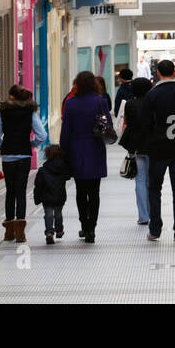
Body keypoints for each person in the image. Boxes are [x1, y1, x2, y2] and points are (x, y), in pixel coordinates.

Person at [141, 59, 175, 242]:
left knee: (154, 189)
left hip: (158, 152)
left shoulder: (151, 96)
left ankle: (155, 229)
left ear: (158, 74)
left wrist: (149, 145)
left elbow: (145, 125)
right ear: (174, 73)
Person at [0, 84, 47, 243]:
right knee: (21, 191)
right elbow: (42, 135)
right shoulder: (30, 113)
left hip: (8, 156)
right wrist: (32, 143)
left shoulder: (3, 114)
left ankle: (9, 231)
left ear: (11, 97)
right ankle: (20, 232)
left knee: (10, 191)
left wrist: (3, 145)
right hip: (23, 156)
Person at [60, 71, 111, 243]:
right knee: (94, 192)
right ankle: (92, 228)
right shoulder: (100, 101)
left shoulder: (71, 104)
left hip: (77, 151)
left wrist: (64, 151)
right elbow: (108, 125)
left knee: (81, 192)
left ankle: (84, 225)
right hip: (96, 149)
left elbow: (65, 131)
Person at [118, 77, 153, 226]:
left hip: (137, 147)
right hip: (153, 147)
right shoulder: (153, 103)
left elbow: (128, 125)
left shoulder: (130, 104)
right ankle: (153, 212)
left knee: (140, 181)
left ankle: (143, 216)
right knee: (152, 182)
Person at [32, 143, 72, 244]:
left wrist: (37, 198)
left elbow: (38, 185)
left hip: (47, 197)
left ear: (47, 155)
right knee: (58, 213)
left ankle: (49, 232)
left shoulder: (43, 170)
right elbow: (68, 176)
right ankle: (59, 230)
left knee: (48, 214)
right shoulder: (63, 168)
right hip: (60, 196)